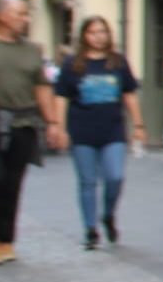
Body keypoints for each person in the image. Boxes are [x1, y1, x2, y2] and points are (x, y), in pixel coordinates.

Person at [0, 0, 65, 265]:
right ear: (2, 16)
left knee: (12, 184)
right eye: (20, 14)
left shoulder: (33, 50)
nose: (26, 19)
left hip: (23, 125)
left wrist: (52, 123)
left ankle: (6, 239)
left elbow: (42, 87)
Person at [53, 16, 146, 249]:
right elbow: (61, 98)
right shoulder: (73, 64)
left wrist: (138, 125)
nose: (98, 36)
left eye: (102, 31)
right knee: (88, 181)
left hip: (113, 130)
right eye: (93, 32)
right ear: (84, 36)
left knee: (115, 176)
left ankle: (108, 215)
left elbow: (129, 95)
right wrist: (59, 127)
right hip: (82, 130)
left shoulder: (118, 62)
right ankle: (90, 229)